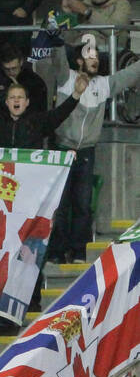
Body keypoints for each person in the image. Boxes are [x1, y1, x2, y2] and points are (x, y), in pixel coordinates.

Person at [48, 36, 140, 263]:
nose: (95, 60)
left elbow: (129, 75)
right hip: (61, 149)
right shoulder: (65, 78)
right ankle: (57, 253)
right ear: (79, 61)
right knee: (59, 206)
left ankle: (79, 251)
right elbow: (58, 58)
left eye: (97, 57)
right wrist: (57, 39)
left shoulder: (103, 84)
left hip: (87, 152)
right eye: (90, 56)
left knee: (82, 204)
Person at [60, 0, 133, 51]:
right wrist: (68, 14)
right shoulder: (85, 4)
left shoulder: (122, 4)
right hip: (79, 49)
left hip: (108, 52)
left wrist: (87, 12)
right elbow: (69, 38)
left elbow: (114, 29)